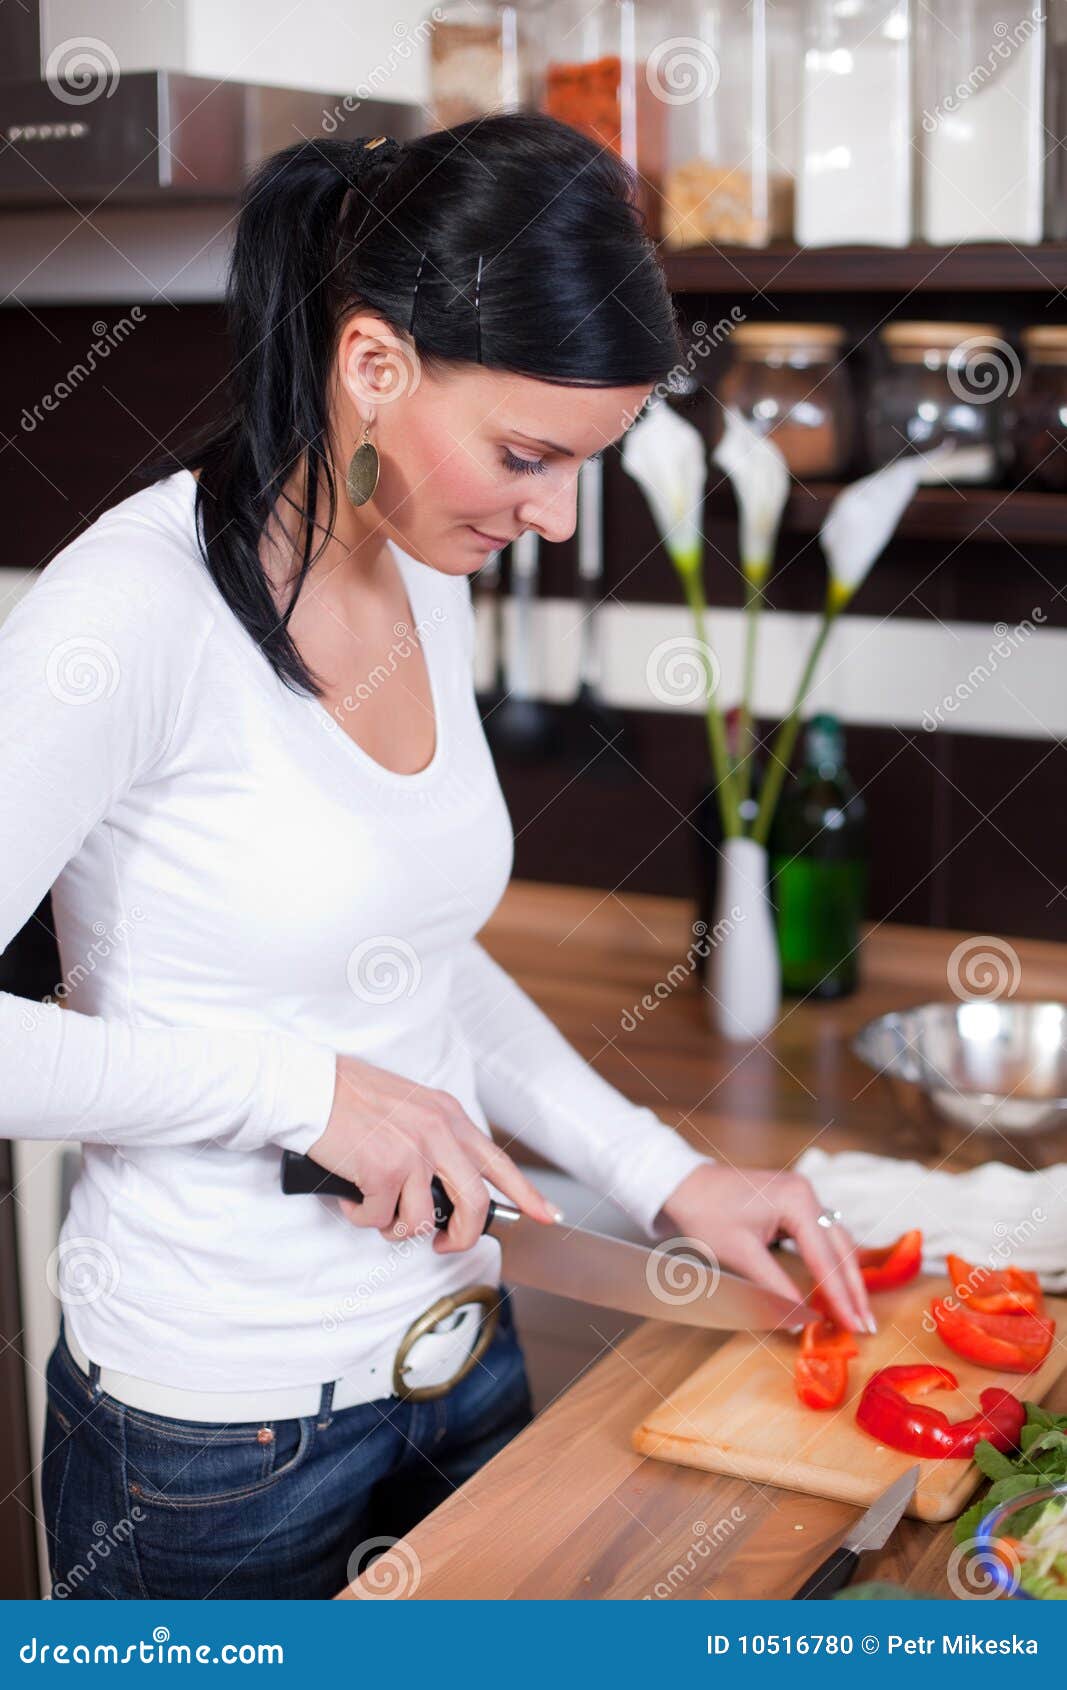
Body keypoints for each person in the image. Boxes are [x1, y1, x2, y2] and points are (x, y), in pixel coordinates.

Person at [0, 113, 873, 1601]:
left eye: (586, 464)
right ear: (373, 365)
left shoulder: (425, 558)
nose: (554, 514)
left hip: (463, 1360)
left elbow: (411, 959)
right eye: (528, 455)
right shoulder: (126, 615)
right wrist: (305, 1091)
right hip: (211, 1449)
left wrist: (668, 1181)